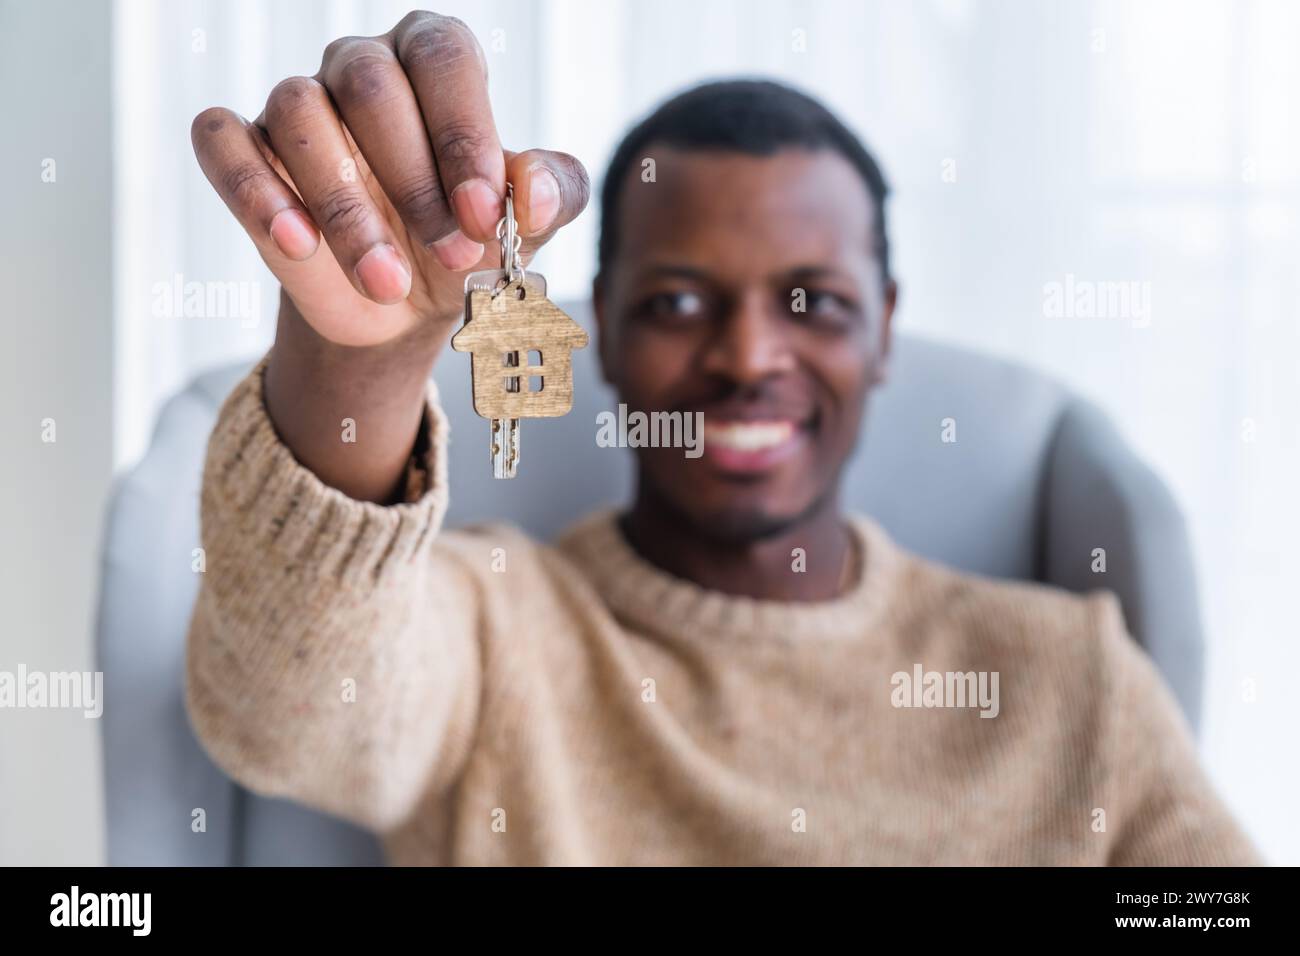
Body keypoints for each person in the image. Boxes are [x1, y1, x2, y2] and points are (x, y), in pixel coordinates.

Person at [185, 10, 1261, 865]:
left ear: (885, 327)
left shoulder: (1069, 672)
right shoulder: (496, 631)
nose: (749, 357)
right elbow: (279, 717)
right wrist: (364, 354)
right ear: (597, 326)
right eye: (679, 302)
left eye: (812, 302)